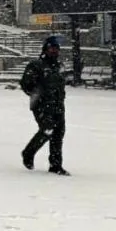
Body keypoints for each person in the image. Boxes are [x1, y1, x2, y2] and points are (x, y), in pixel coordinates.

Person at [20, 36, 70, 175]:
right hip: (42, 105)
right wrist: (38, 95)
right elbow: (25, 84)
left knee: (58, 134)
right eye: (51, 48)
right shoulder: (36, 65)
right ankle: (28, 153)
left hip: (58, 105)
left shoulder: (59, 66)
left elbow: (61, 85)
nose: (54, 51)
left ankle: (55, 165)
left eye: (56, 49)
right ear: (45, 49)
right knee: (47, 130)